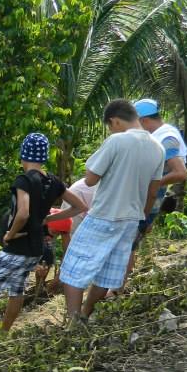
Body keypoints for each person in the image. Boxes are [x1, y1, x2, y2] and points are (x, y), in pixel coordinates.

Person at [58, 99, 165, 322]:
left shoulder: (117, 141)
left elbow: (90, 180)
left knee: (71, 270)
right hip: (131, 220)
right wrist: (143, 219)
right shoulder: (158, 148)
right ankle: (86, 315)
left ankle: (73, 323)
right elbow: (153, 192)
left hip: (105, 215)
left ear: (114, 121)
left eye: (110, 126)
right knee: (107, 275)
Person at [0, 133, 85, 336]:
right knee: (16, 289)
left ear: (23, 156)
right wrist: (47, 219)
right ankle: (3, 333)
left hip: (17, 246)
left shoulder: (24, 180)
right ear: (44, 157)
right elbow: (80, 206)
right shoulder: (54, 182)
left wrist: (10, 235)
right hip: (37, 249)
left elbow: (23, 212)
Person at [122, 99, 187, 280]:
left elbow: (180, 173)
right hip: (148, 197)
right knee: (130, 243)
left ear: (143, 120)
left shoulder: (166, 138)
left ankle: (116, 289)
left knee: (128, 243)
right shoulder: (162, 134)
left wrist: (153, 184)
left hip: (149, 198)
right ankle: (117, 288)